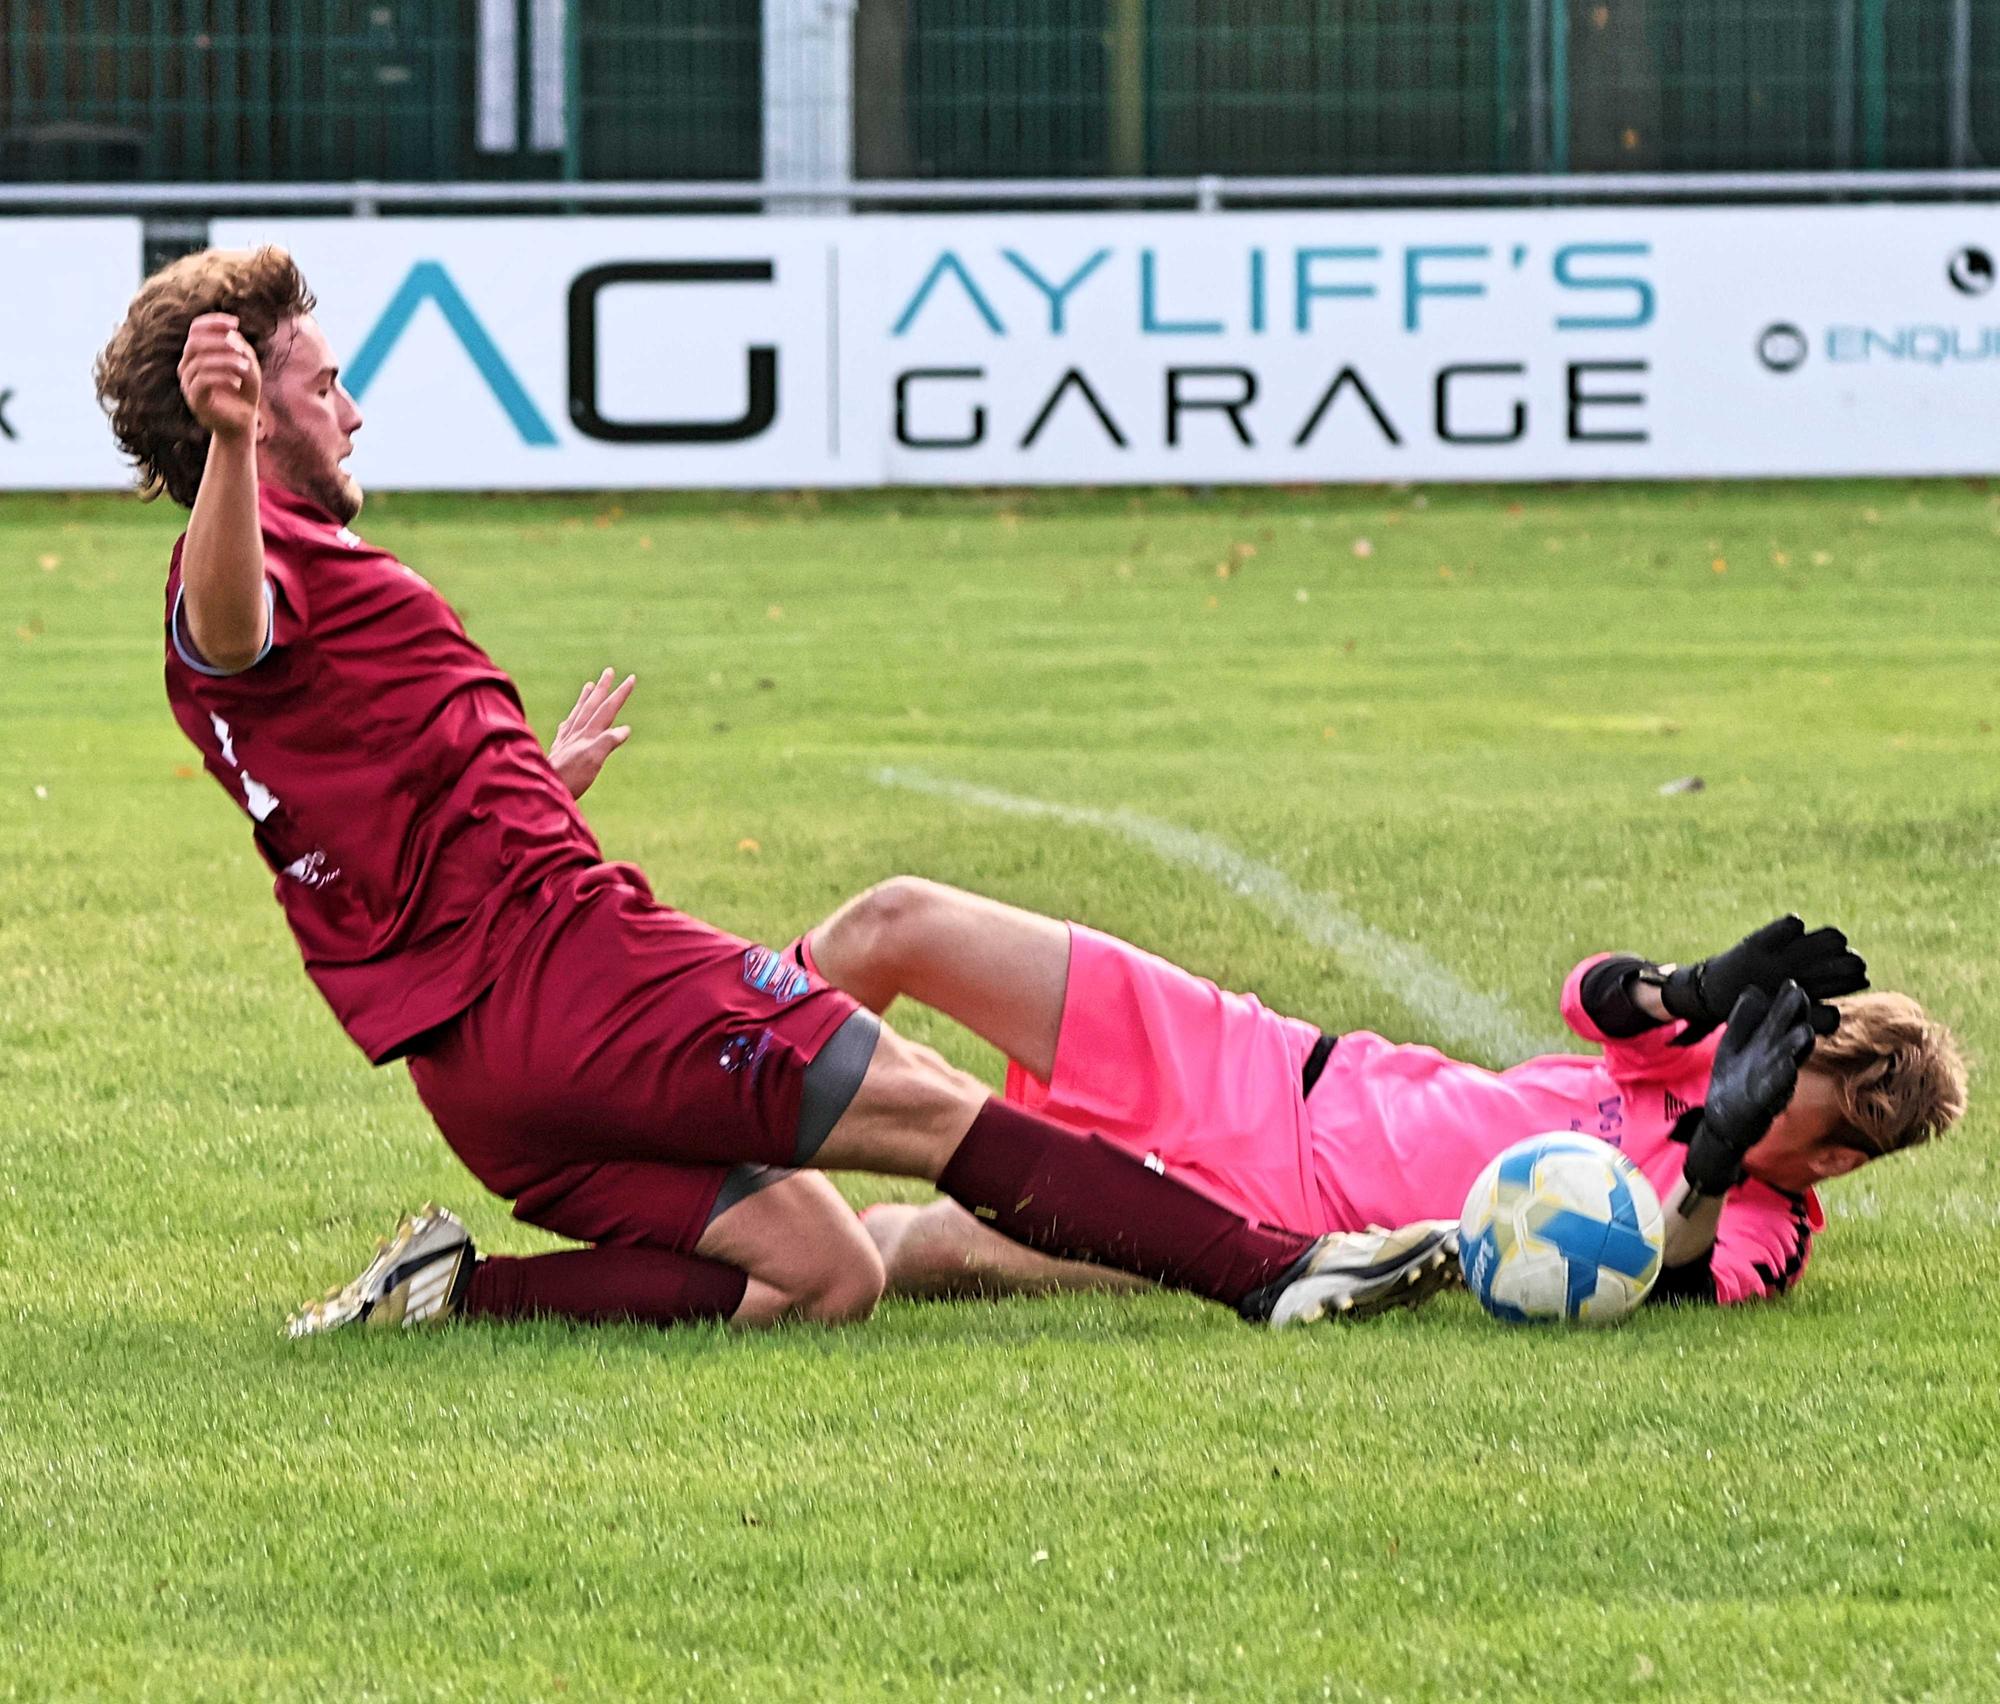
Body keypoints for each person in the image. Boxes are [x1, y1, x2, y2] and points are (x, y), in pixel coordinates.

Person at [93, 245, 1462, 1339]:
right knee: (926, 1105)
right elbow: (231, 622)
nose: (352, 406)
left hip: (487, 1080)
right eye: (323, 384)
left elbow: (362, 801)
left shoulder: (292, 582)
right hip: (580, 985)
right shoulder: (245, 560)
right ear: (247, 411)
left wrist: (524, 787)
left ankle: (456, 1289)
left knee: (821, 1272)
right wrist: (226, 447)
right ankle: (1279, 1272)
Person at [786, 881, 1965, 1306]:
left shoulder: (1763, 1227)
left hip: (1267, 1230)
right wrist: (1694, 987)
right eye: (1777, 1057)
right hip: (1257, 1062)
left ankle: (724, 1224)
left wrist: (1712, 1155)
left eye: (1784, 1100)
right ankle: (690, 1105)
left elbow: (1675, 1280)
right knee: (899, 923)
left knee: (912, 1248)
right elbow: (1589, 996)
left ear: (1833, 1165)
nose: (1752, 1081)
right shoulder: (1703, 1052)